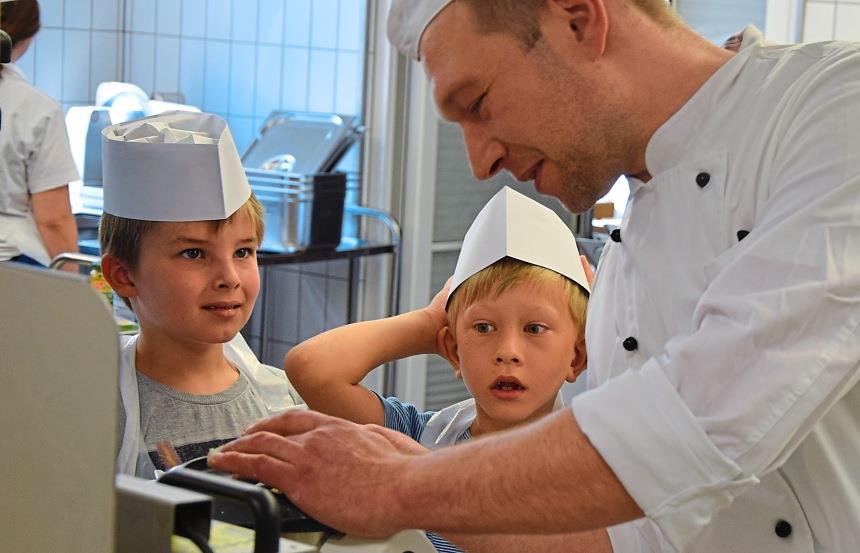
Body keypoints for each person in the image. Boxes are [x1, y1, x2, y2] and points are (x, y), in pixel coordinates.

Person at [210, 1, 860, 552]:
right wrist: (418, 476)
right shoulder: (625, 270)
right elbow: (631, 534)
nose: (479, 160)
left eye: (479, 102)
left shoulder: (833, 111)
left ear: (578, 17)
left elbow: (700, 422)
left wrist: (397, 486)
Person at [286, 186, 590, 552]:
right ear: (452, 349)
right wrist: (429, 322)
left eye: (534, 329)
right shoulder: (419, 438)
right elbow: (311, 368)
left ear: (576, 357)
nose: (508, 352)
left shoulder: (586, 476)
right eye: (483, 328)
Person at [98, 111, 303, 478]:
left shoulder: (283, 399)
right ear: (124, 275)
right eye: (193, 253)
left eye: (243, 252)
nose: (229, 278)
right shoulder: (93, 408)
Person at [0, 0, 79, 271]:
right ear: (28, 35)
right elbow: (53, 220)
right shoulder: (35, 109)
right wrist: (74, 290)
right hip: (12, 268)